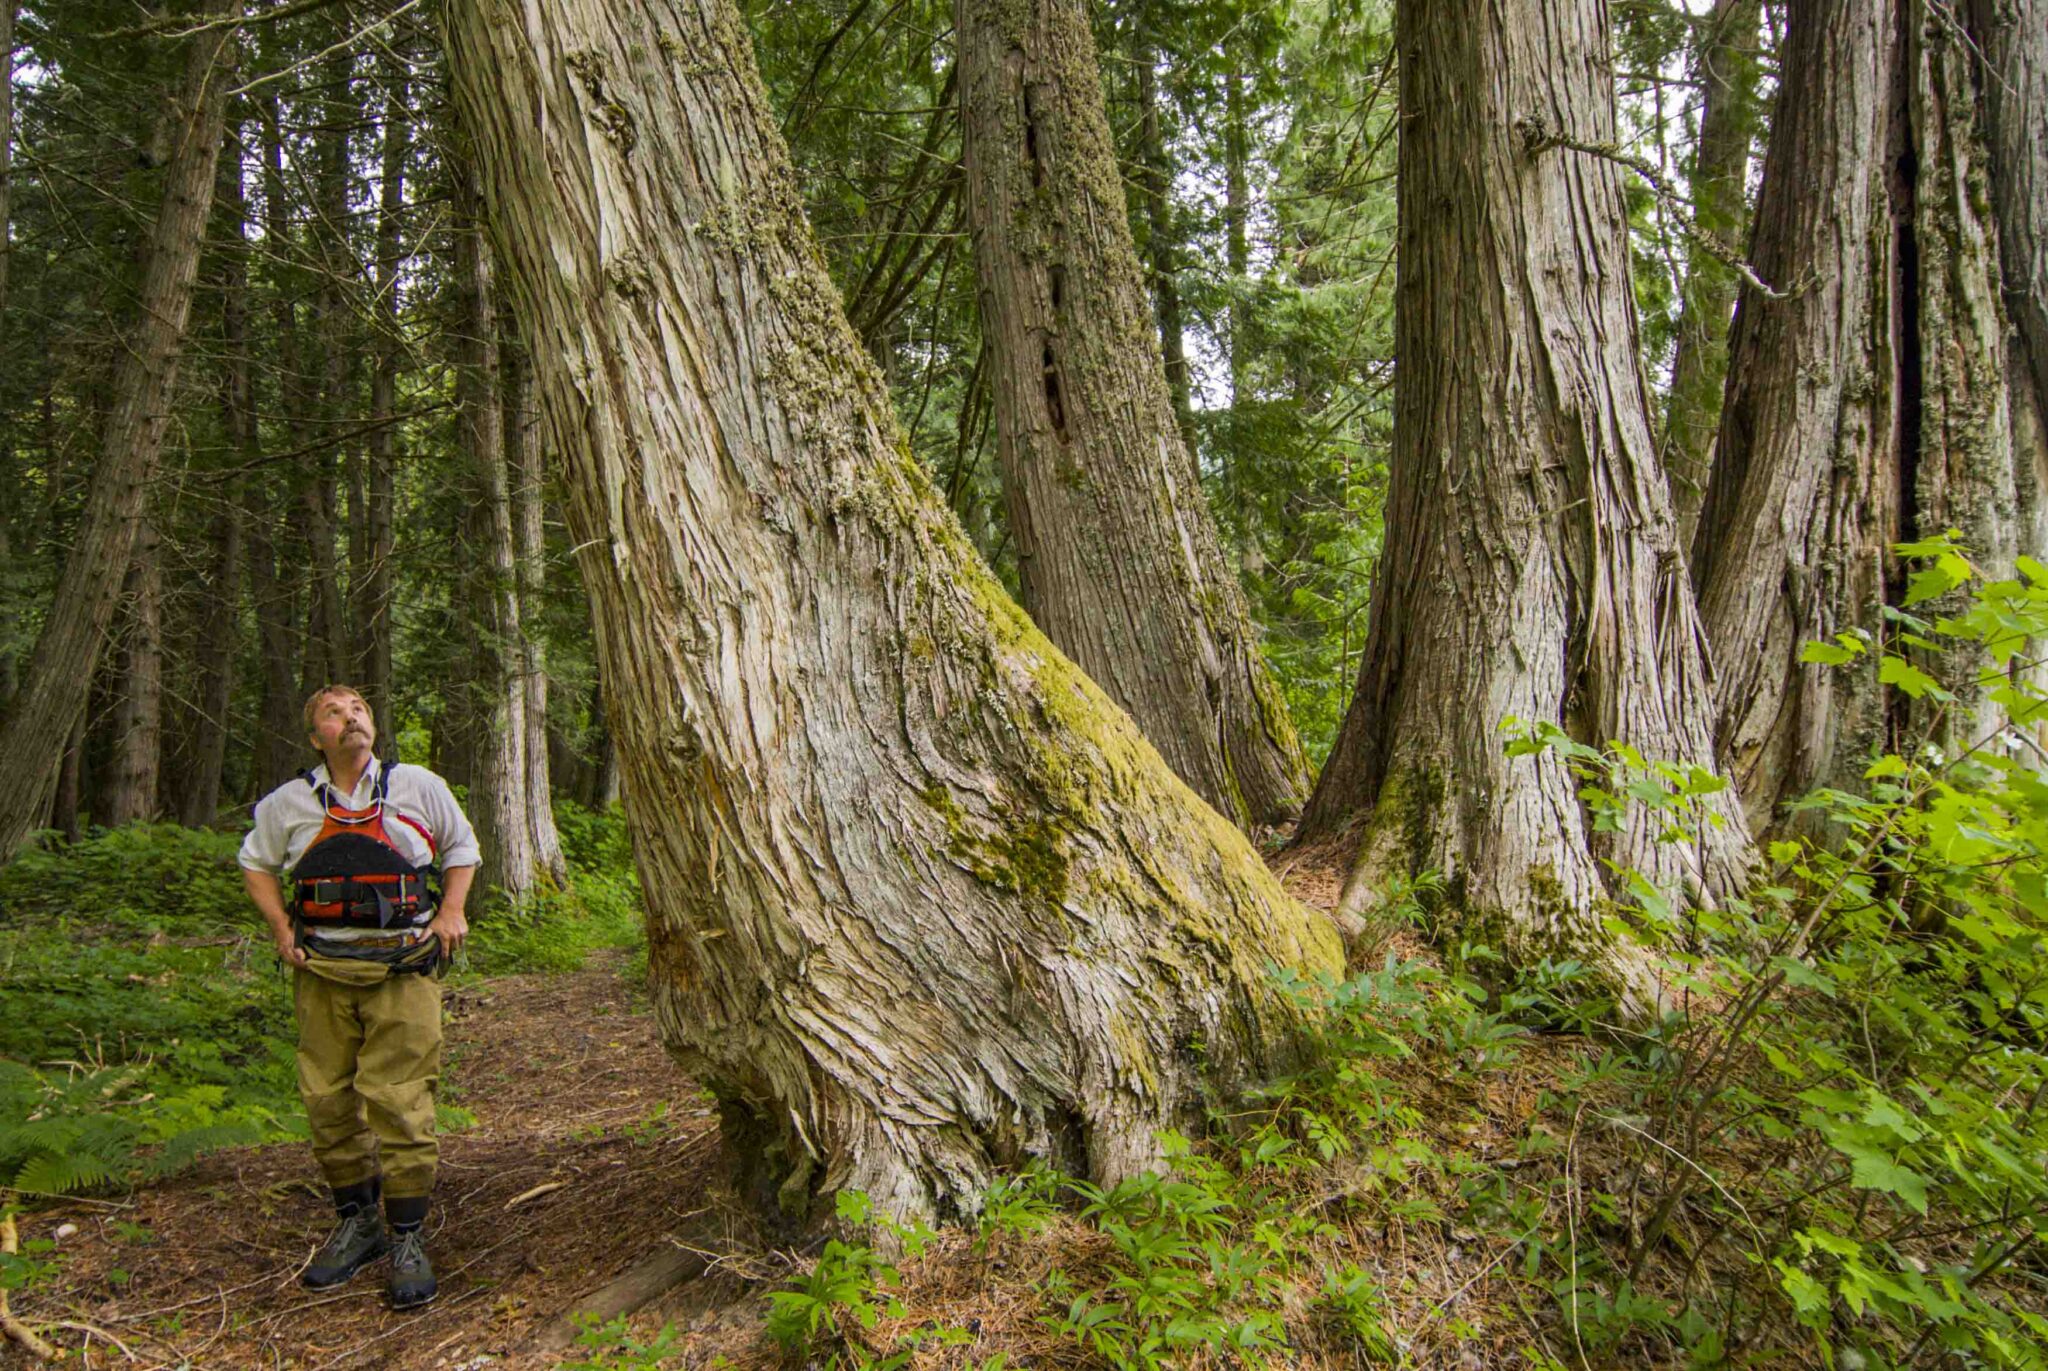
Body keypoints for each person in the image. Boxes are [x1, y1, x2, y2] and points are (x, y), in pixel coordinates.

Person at [239, 685, 479, 1311]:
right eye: (334, 713)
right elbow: (256, 863)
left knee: (401, 1098)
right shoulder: (289, 803)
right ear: (315, 737)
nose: (350, 719)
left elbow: (462, 848)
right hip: (322, 973)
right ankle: (358, 1223)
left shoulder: (416, 786)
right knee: (326, 1099)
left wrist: (451, 911)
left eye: (360, 710)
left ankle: (407, 1236)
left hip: (402, 970)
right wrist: (281, 928)